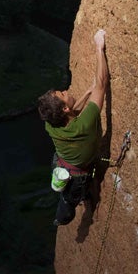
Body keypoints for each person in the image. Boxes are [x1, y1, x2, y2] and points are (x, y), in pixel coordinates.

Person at [37, 28, 109, 226]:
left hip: (60, 163)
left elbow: (71, 112)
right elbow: (102, 84)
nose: (66, 90)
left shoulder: (51, 124)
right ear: (66, 108)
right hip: (77, 177)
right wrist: (98, 47)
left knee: (65, 190)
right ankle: (61, 219)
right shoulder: (85, 124)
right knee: (69, 199)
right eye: (63, 93)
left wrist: (87, 93)